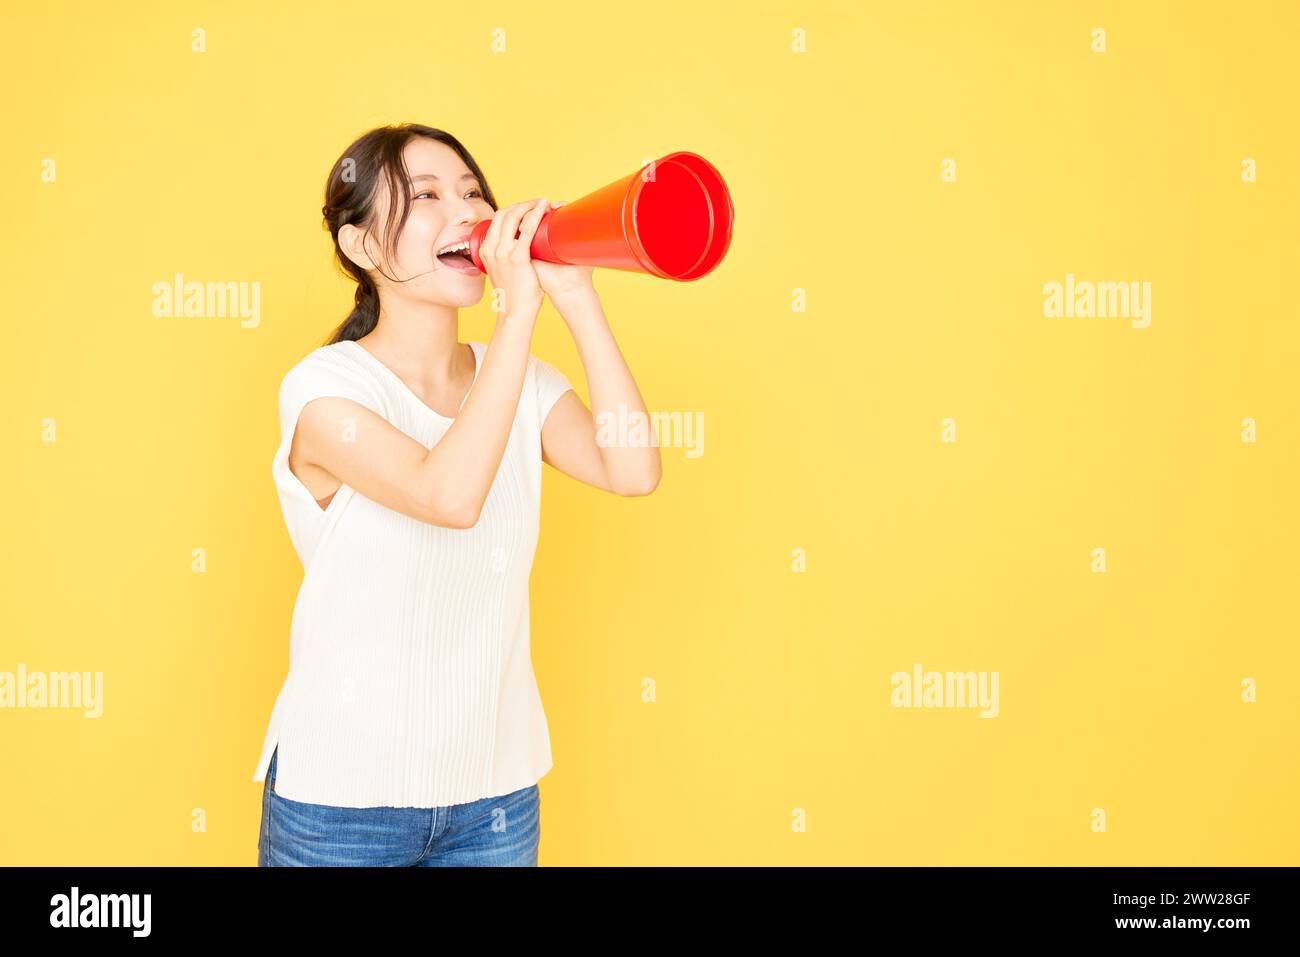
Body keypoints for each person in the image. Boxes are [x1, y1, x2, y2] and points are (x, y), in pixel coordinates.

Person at [252, 124, 661, 866]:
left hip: (494, 796)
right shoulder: (322, 390)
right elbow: (448, 494)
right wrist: (517, 313)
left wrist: (575, 296)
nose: (467, 211)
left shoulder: (519, 379)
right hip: (341, 801)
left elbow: (632, 468)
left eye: (473, 191)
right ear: (362, 247)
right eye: (428, 196)